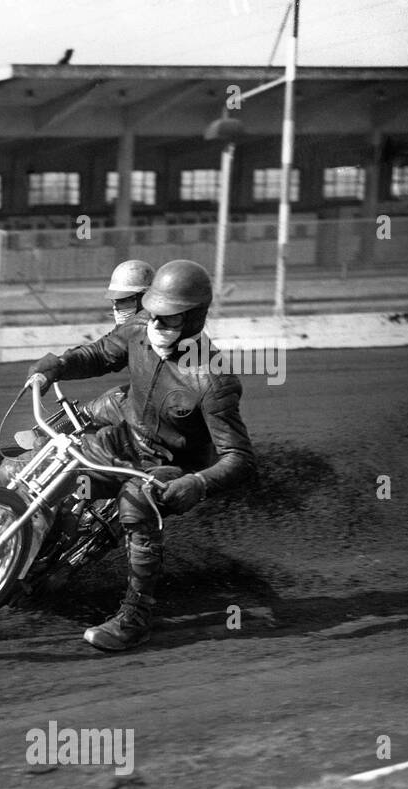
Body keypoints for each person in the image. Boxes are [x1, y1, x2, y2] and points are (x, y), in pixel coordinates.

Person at [25, 259, 256, 651]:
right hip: (125, 439)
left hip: (169, 467)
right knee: (51, 461)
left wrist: (197, 483)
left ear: (194, 318)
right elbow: (100, 354)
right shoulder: (140, 329)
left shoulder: (213, 380)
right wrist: (57, 366)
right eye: (154, 312)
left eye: (169, 317)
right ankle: (1, 536)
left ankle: (135, 617)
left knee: (136, 505)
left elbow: (239, 458)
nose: (157, 324)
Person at [86, 259, 155, 427]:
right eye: (114, 301)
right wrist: (60, 364)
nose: (116, 307)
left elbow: (104, 355)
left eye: (124, 300)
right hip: (154, 409)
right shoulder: (132, 330)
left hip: (163, 419)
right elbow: (103, 351)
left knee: (98, 420)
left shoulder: (155, 331)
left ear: (145, 299)